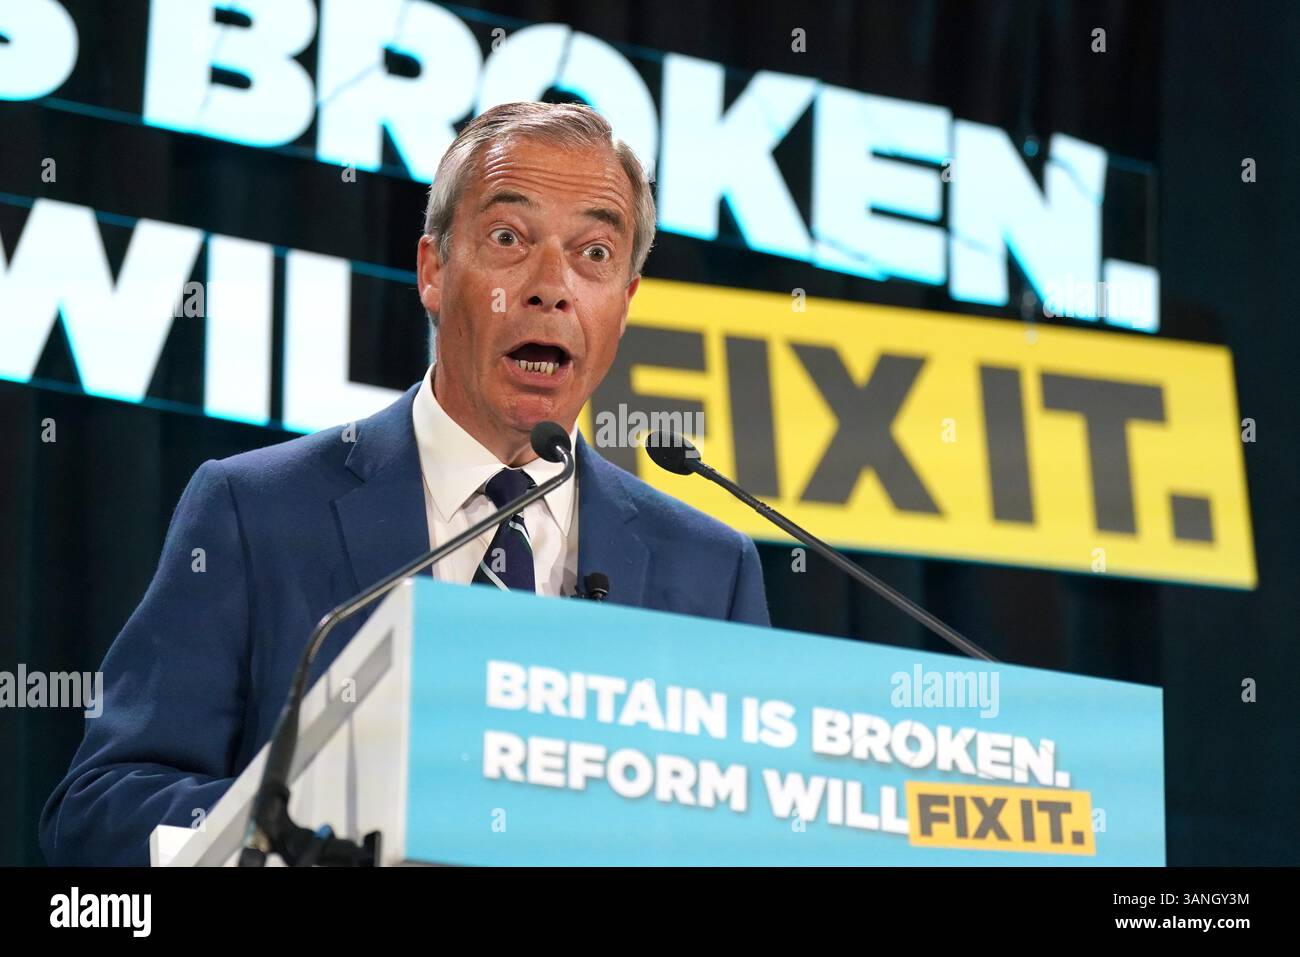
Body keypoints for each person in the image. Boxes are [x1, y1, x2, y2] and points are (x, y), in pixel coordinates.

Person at [39, 101, 769, 866]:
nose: (551, 286)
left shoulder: (710, 572)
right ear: (432, 269)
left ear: (623, 302)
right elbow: (99, 812)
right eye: (508, 238)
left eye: (593, 254)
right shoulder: (254, 514)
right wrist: (315, 833)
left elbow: (750, 844)